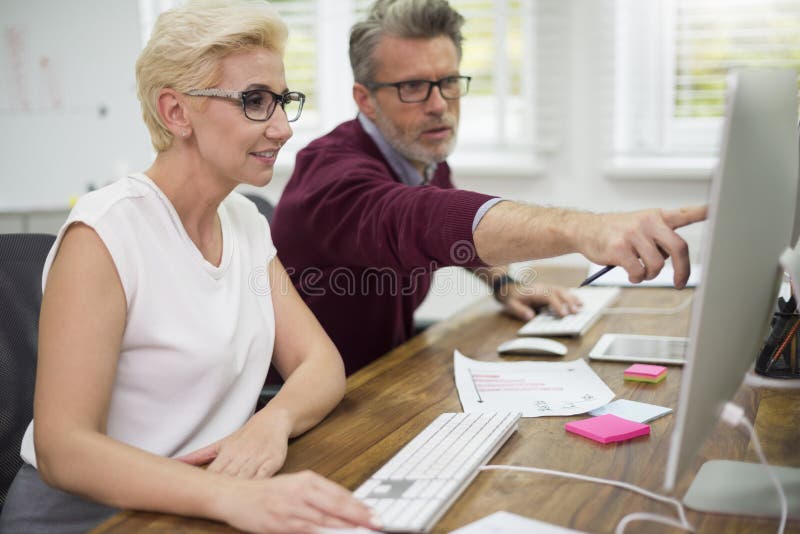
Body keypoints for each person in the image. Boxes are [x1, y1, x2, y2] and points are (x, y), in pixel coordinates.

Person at [0, 1, 378, 533]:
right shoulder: (104, 234)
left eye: (281, 101)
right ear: (176, 112)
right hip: (92, 517)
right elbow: (64, 450)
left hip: (198, 501)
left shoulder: (244, 221)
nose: (282, 128)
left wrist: (271, 422)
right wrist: (227, 494)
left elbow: (319, 363)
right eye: (254, 101)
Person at [271, 0, 706, 375]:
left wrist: (503, 283)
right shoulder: (330, 178)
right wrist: (586, 229)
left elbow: (445, 234)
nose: (439, 105)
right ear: (365, 99)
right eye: (412, 87)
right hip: (314, 404)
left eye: (448, 82)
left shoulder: (419, 151)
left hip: (384, 373)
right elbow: (422, 219)